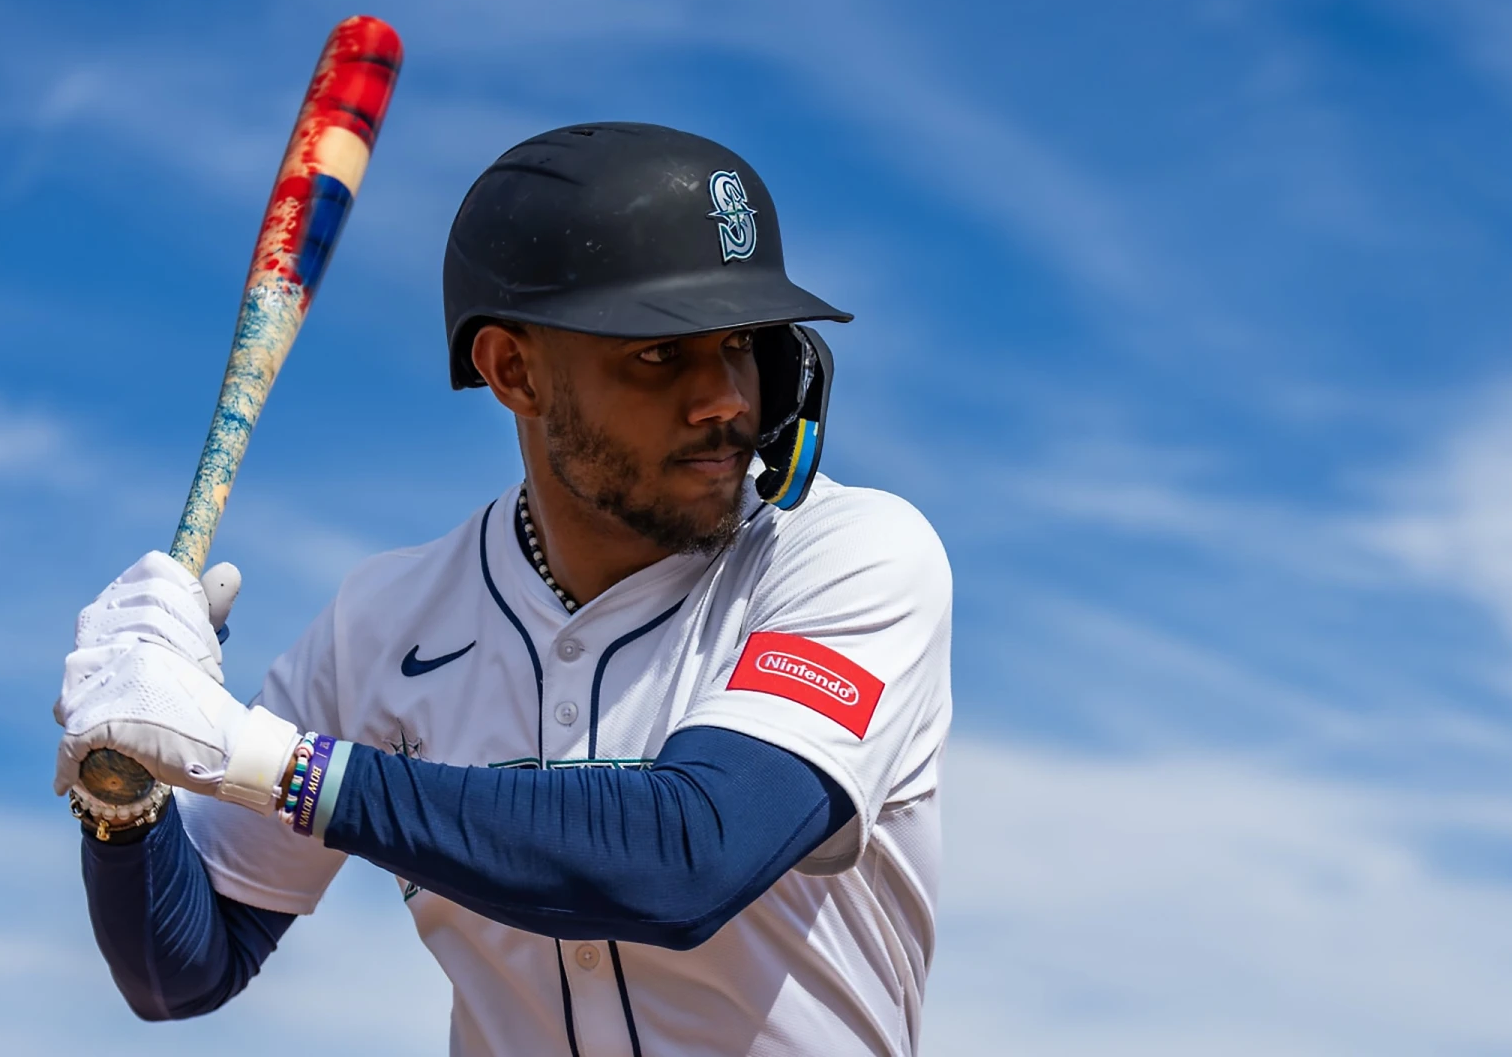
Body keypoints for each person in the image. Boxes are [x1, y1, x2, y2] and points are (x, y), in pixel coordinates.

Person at [52, 121, 954, 1056]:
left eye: (739, 344)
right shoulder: (384, 621)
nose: (725, 397)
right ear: (511, 369)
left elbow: (688, 859)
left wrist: (261, 758)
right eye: (660, 353)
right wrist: (124, 789)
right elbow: (181, 970)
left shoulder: (849, 556)